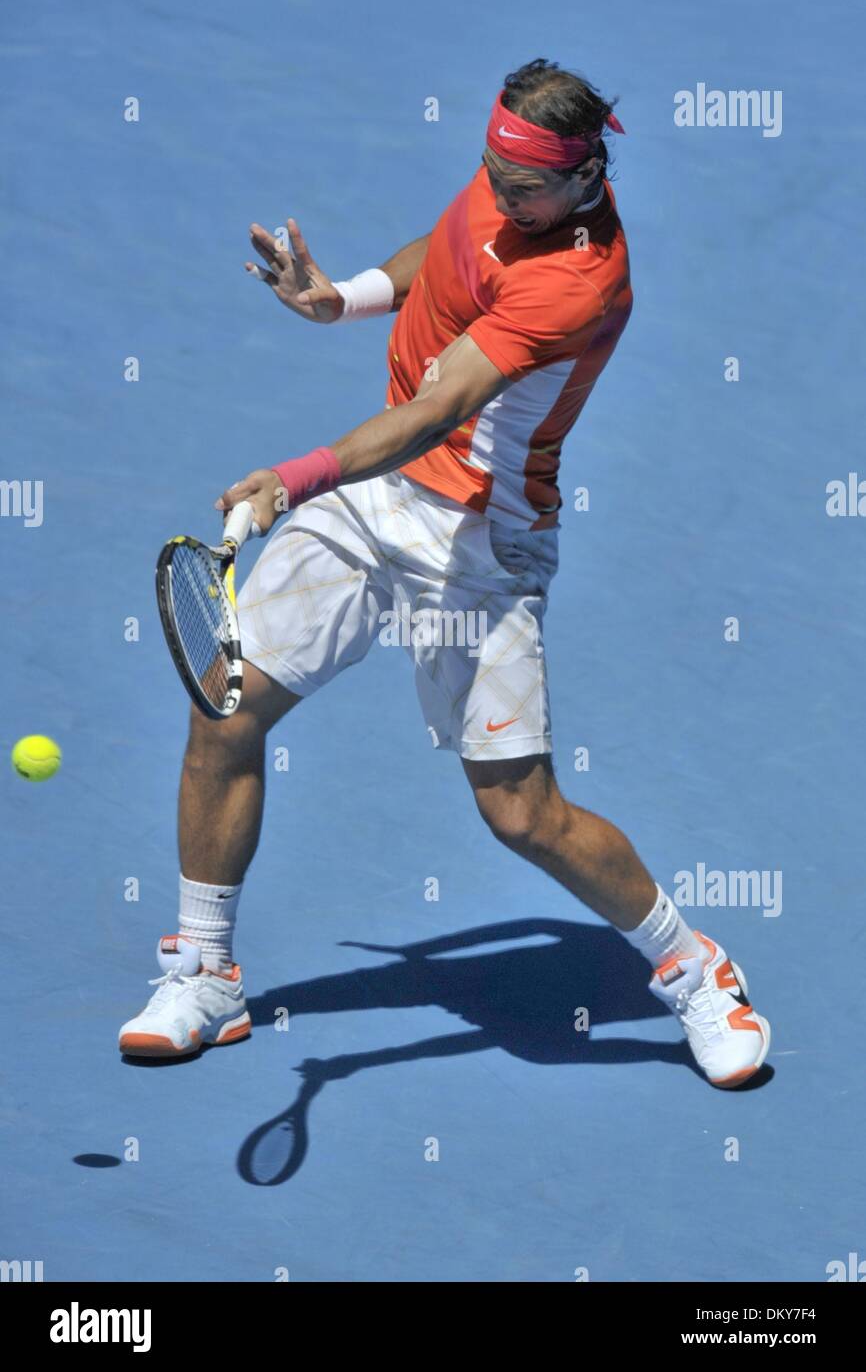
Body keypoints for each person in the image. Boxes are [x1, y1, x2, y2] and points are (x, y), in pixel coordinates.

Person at [120, 58, 770, 1088]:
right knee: (224, 713)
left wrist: (291, 479)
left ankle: (692, 968)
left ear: (587, 177)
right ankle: (203, 969)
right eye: (491, 171)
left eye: (524, 190)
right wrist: (343, 299)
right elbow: (445, 250)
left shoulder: (578, 280)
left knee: (520, 812)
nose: (500, 197)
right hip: (372, 500)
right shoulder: (505, 181)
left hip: (477, 541)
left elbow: (432, 412)